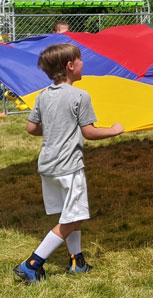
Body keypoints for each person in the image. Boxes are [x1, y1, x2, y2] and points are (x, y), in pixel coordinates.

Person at [14, 43, 124, 284]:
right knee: (72, 218)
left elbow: (31, 128)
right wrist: (114, 130)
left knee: (69, 213)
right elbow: (90, 132)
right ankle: (32, 263)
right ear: (70, 66)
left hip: (48, 166)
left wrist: (54, 128)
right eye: (80, 60)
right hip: (68, 167)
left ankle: (77, 261)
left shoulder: (43, 96)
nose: (83, 63)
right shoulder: (80, 96)